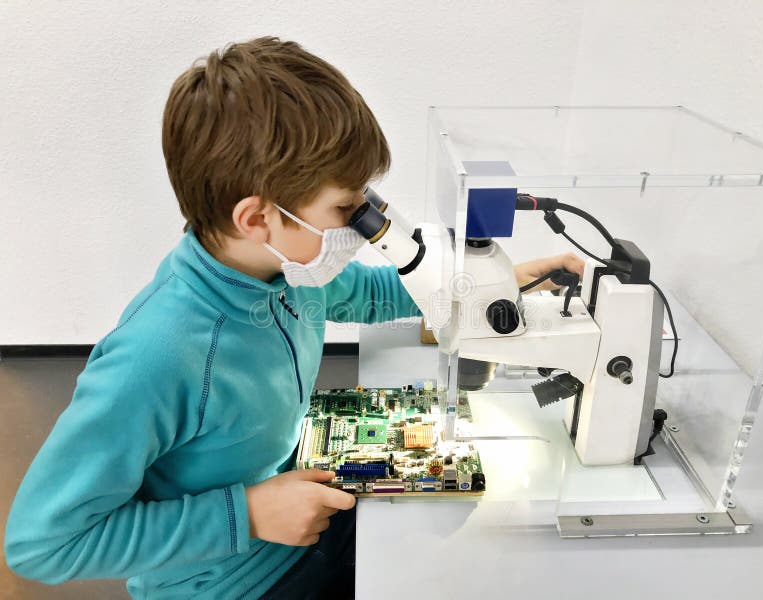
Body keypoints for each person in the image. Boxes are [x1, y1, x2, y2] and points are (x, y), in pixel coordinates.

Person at [4, 36, 583, 599]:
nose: (362, 225)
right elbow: (42, 545)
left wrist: (490, 286)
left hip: (304, 513)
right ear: (257, 218)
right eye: (345, 210)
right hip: (235, 579)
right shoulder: (158, 357)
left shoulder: (288, 273)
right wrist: (248, 515)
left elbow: (376, 294)